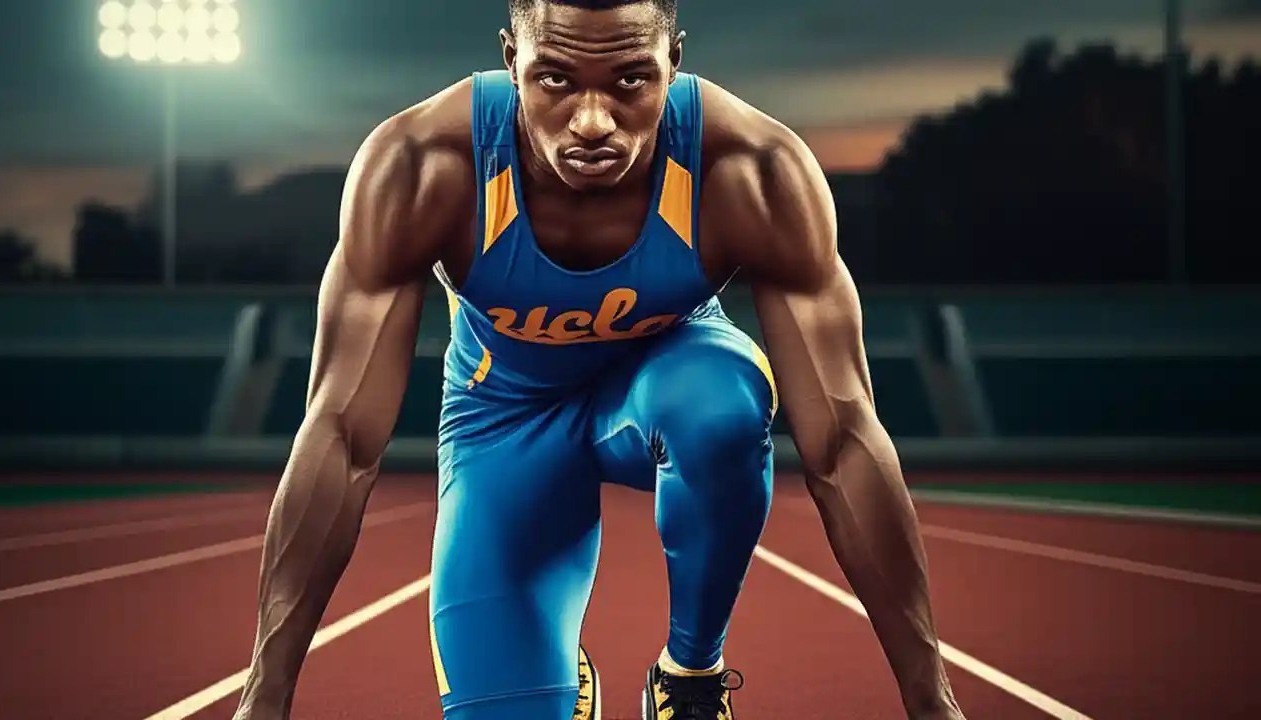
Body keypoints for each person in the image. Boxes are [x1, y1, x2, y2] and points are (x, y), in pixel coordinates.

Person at [233, 1, 965, 718]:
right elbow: (340, 436)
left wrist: (932, 701)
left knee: (718, 401)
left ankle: (690, 673)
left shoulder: (750, 171)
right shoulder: (424, 167)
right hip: (504, 424)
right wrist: (262, 699)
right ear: (510, 60)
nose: (591, 122)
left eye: (629, 81)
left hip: (667, 386)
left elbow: (841, 443)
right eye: (555, 79)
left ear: (675, 62)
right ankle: (549, 673)